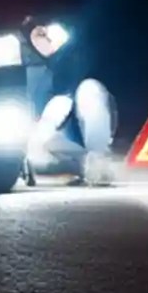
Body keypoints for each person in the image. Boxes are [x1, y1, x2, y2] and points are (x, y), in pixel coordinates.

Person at [22, 17, 117, 184]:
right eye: (38, 33)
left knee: (87, 90)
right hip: (49, 144)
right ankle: (82, 166)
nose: (44, 37)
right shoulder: (28, 66)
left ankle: (98, 161)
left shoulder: (76, 58)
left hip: (82, 129)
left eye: (47, 33)